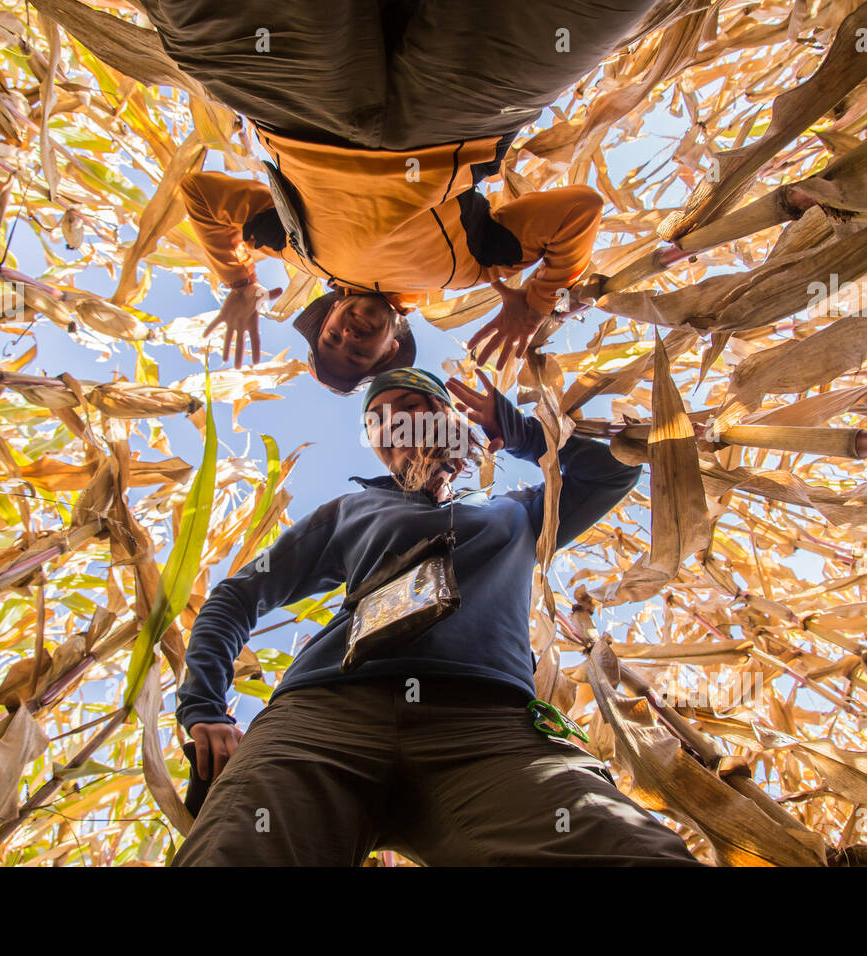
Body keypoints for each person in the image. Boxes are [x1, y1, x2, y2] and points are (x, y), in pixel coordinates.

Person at [171, 367, 701, 865]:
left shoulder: (518, 512)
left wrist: (521, 432)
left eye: (407, 407)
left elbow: (612, 472)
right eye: (377, 421)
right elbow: (237, 596)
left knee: (628, 852)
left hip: (491, 730)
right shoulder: (350, 511)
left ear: (450, 416)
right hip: (322, 718)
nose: (391, 424)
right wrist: (203, 707)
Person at [138, 1, 659, 391]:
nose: (350, 337)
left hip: (299, 105)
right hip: (461, 110)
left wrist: (236, 284)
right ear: (393, 345)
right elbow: (578, 213)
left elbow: (201, 196)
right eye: (360, 354)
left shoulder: (301, 252)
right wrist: (537, 305)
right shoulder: (469, 269)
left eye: (332, 340)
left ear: (327, 318)